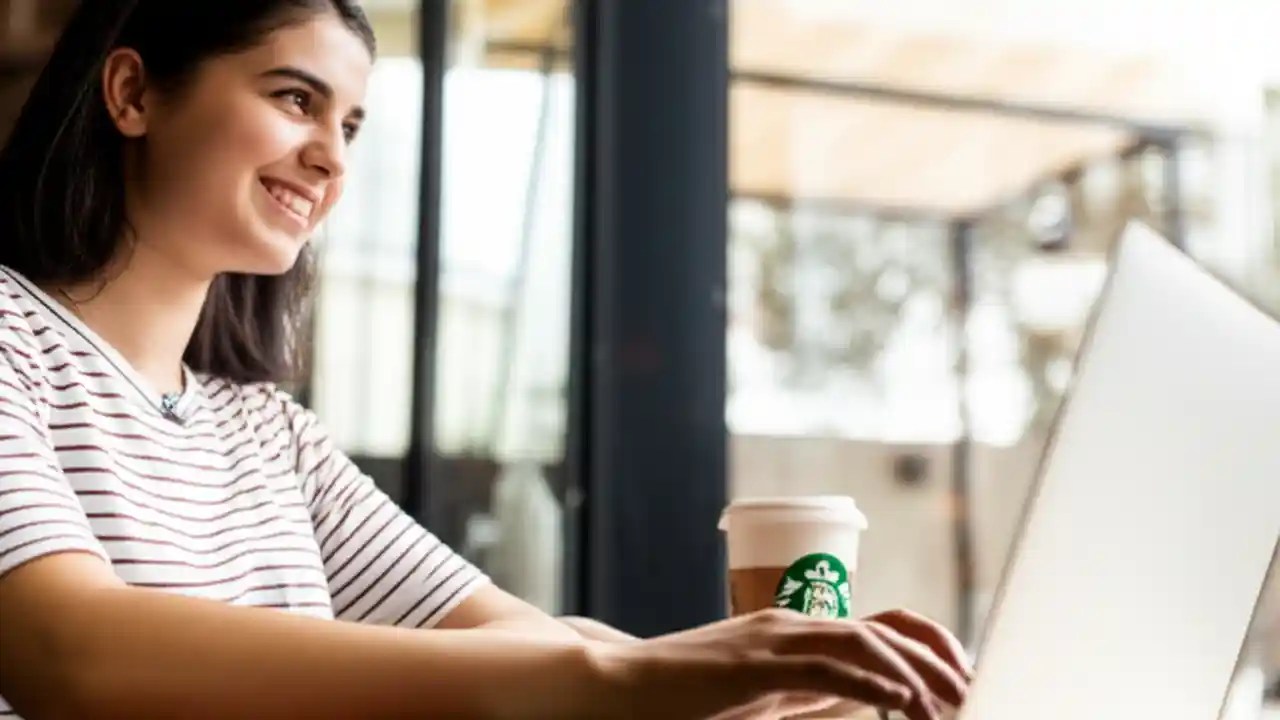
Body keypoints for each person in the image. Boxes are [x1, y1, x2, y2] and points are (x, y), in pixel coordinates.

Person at [0, 1, 972, 718]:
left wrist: (768, 681)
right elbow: (64, 649)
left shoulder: (267, 434)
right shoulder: (13, 339)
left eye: (348, 125)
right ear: (131, 93)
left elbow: (520, 639)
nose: (331, 157)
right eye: (295, 98)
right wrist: (642, 675)